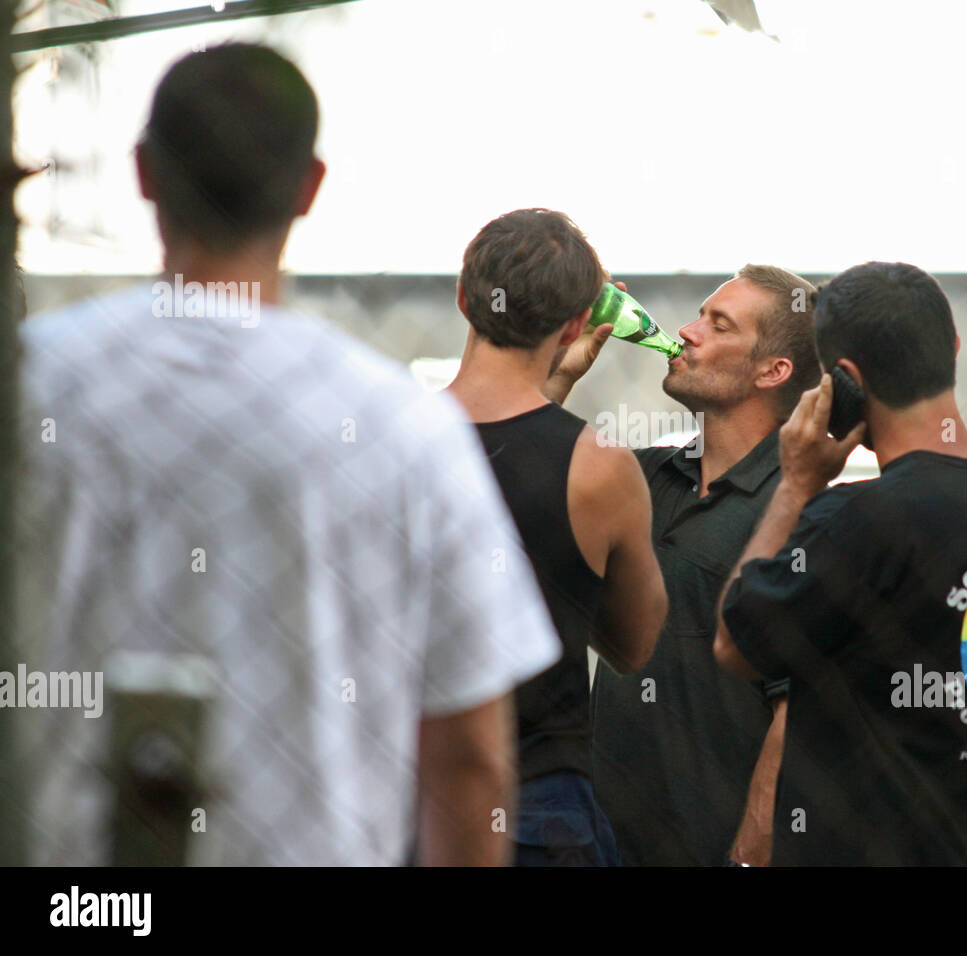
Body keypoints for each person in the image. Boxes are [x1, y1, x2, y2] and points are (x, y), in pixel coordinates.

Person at [13, 43, 560, 866]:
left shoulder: (31, 386)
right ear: (310, 186)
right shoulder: (400, 426)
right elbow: (472, 757)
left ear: (144, 174)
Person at [714, 261, 967, 865]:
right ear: (953, 349)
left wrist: (795, 485)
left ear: (844, 381)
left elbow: (736, 644)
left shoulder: (853, 519)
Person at [545, 264, 821, 865]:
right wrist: (559, 377)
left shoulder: (800, 507)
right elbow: (511, 475)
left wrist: (748, 856)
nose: (687, 332)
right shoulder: (640, 477)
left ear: (773, 370)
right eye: (699, 316)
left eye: (717, 325)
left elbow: (795, 714)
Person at [448, 208, 667, 865]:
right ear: (576, 326)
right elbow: (632, 643)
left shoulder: (388, 443)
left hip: (411, 788)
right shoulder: (599, 468)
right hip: (538, 807)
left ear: (463, 298)